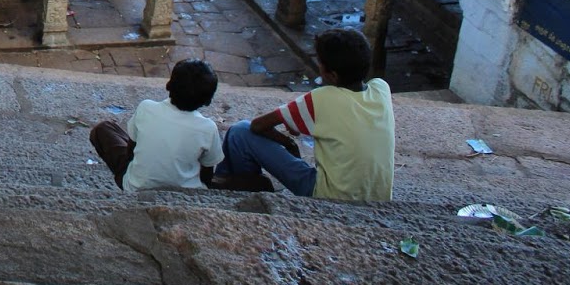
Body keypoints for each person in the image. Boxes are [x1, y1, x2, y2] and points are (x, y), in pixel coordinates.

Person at [212, 27, 395, 201]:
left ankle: (235, 186)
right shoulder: (381, 89)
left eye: (320, 63)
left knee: (240, 131)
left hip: (328, 197)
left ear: (332, 75)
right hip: (378, 198)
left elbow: (257, 125)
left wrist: (288, 142)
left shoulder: (323, 98)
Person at [89, 59, 223, 193]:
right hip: (187, 192)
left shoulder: (146, 107)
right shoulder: (209, 128)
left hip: (136, 187)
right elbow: (207, 172)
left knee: (103, 129)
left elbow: (131, 152)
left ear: (168, 85)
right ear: (207, 101)